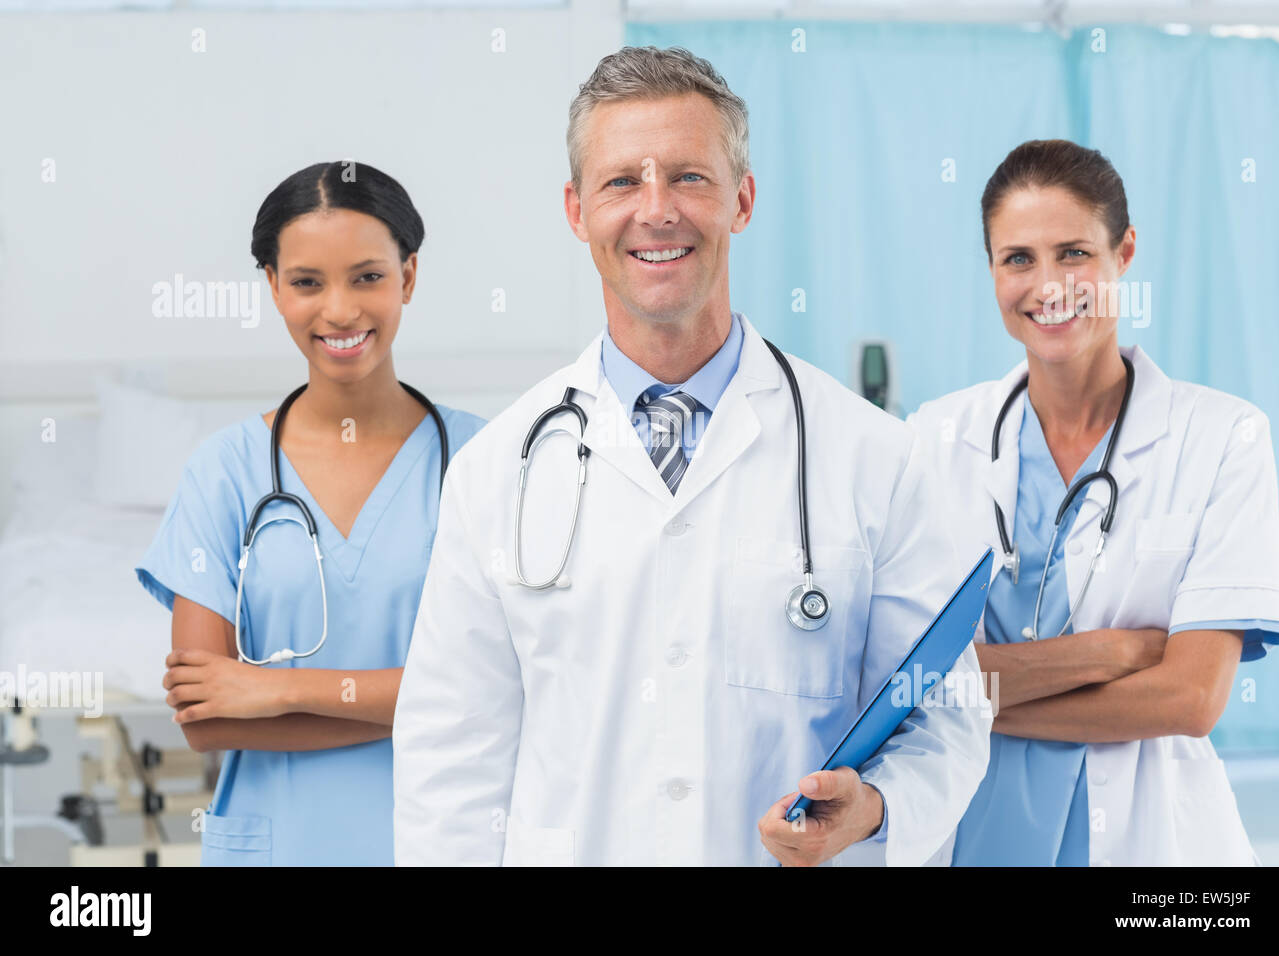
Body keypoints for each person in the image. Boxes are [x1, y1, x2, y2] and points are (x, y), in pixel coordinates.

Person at [392, 46, 991, 867]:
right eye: (621, 183)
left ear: (742, 201)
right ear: (576, 209)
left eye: (689, 177)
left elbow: (947, 710)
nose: (657, 210)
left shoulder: (876, 458)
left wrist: (878, 807)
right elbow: (449, 764)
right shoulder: (498, 472)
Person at [909, 139, 1279, 866]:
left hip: (1151, 848)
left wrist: (976, 699)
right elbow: (905, 684)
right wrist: (1113, 653)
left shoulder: (1222, 437)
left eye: (1074, 253)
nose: (1047, 284)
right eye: (1017, 258)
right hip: (968, 835)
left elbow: (1189, 699)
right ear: (991, 271)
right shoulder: (936, 438)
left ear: (1125, 253)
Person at [135, 161, 485, 865]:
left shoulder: (485, 460)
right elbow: (204, 720)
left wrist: (271, 689)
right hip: (277, 845)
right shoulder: (223, 473)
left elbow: (502, 688)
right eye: (306, 282)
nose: (340, 311)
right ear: (273, 287)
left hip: (440, 842)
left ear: (408, 277)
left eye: (367, 276)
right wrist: (423, 704)